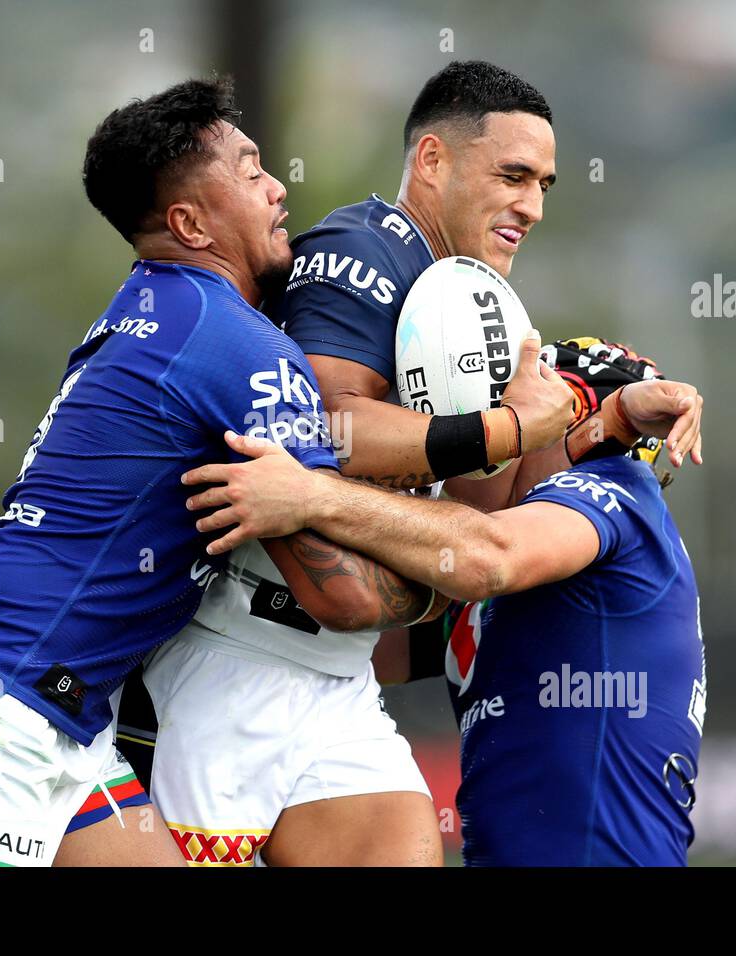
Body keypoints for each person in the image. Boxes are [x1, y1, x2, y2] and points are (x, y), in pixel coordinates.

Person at [0, 77, 458, 868]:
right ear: (189, 222)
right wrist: (452, 565)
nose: (277, 188)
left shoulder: (148, 310)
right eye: (247, 170)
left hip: (57, 723)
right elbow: (345, 598)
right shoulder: (246, 350)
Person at [129, 61, 701, 866]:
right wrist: (505, 426)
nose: (531, 206)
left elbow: (485, 513)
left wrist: (595, 425)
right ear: (432, 161)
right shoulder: (361, 247)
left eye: (544, 184)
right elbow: (323, 428)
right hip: (239, 656)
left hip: (343, 673)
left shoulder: (483, 296)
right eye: (512, 175)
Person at [182, 338, 706, 865]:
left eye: (518, 417)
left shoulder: (617, 490)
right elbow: (352, 642)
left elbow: (489, 553)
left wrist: (310, 495)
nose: (497, 445)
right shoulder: (530, 579)